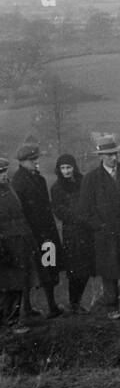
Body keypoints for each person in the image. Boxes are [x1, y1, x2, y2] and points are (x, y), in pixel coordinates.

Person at [76, 135, 120, 319]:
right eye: (108, 155)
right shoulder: (91, 179)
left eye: (114, 154)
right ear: (100, 156)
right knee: (110, 271)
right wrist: (100, 227)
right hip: (106, 234)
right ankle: (111, 307)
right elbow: (84, 211)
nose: (113, 158)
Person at [11, 135, 63, 319]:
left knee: (50, 268)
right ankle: (27, 307)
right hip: (31, 233)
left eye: (36, 159)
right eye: (32, 160)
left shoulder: (39, 180)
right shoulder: (17, 182)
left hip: (46, 231)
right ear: (23, 162)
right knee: (30, 271)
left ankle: (52, 306)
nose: (36, 163)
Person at [49, 154, 95, 314]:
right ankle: (74, 302)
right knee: (75, 269)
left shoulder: (83, 182)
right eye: (63, 168)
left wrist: (87, 217)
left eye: (69, 167)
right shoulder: (56, 188)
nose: (66, 171)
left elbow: (90, 200)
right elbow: (58, 210)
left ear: (74, 167)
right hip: (72, 231)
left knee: (87, 267)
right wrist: (77, 217)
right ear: (59, 169)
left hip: (87, 230)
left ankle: (79, 300)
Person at [0, 157, 36, 333]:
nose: (3, 175)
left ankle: (13, 318)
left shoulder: (9, 189)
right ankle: (9, 321)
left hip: (19, 242)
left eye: (4, 171)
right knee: (7, 285)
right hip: (4, 244)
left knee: (18, 282)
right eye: (0, 172)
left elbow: (19, 215)